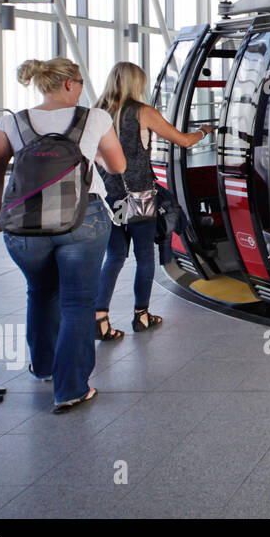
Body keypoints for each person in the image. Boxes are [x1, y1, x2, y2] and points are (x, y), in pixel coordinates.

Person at [0, 58, 126, 413]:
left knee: (41, 292)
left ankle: (43, 366)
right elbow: (118, 165)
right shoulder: (95, 118)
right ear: (68, 85)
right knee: (77, 303)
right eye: (79, 82)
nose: (81, 89)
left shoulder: (10, 122)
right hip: (83, 220)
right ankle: (71, 389)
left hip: (25, 227)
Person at [94, 62, 214, 340]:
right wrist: (205, 131)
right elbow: (183, 141)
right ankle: (142, 316)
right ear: (137, 84)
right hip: (140, 196)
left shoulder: (96, 113)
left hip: (108, 197)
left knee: (114, 256)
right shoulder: (143, 112)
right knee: (144, 255)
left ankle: (100, 319)